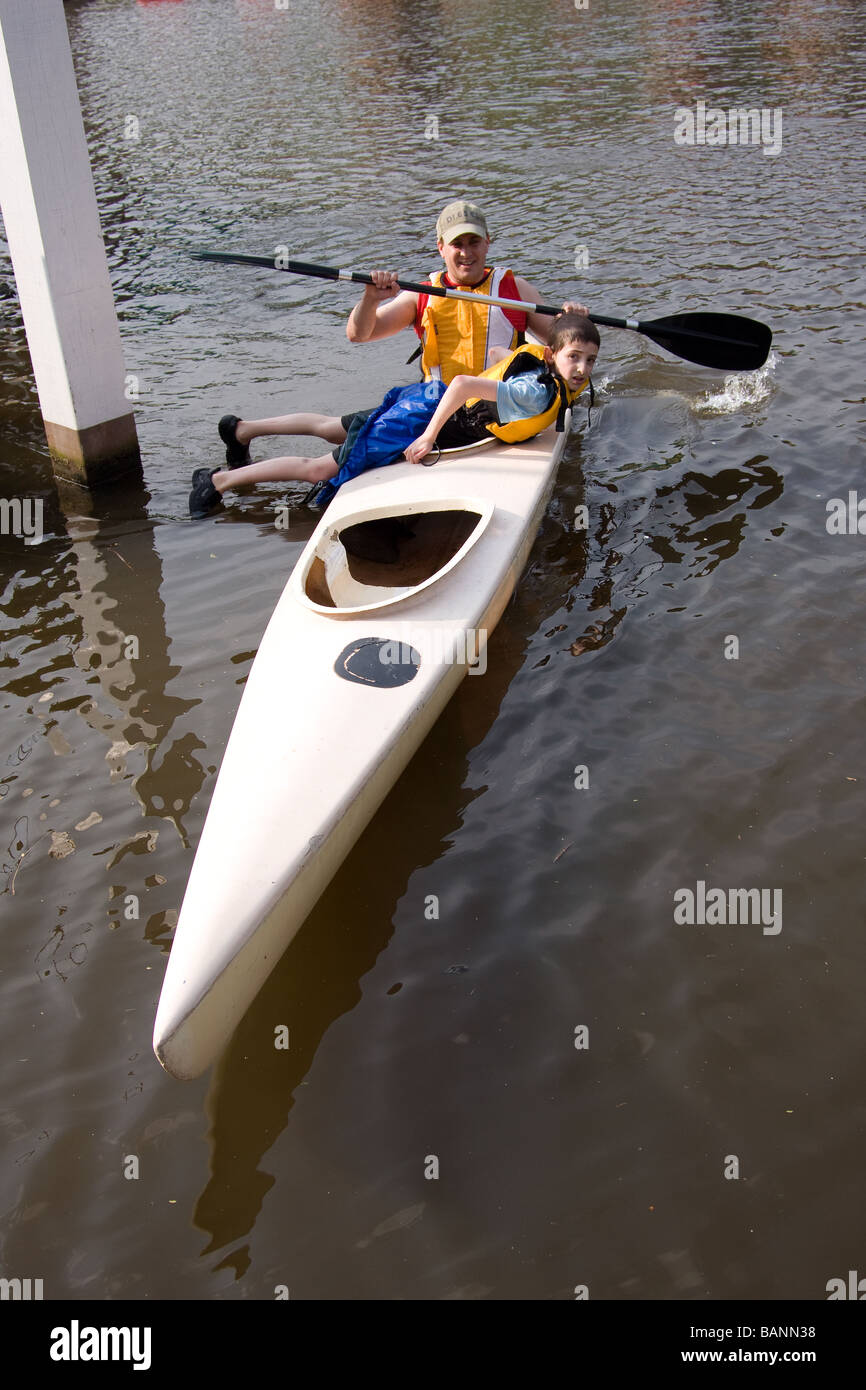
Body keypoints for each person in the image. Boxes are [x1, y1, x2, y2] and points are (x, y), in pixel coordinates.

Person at [188, 313, 599, 517]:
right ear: (552, 355)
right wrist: (427, 438)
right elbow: (463, 387)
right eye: (573, 358)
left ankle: (242, 431)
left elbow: (497, 357)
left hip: (423, 398)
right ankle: (219, 481)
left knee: (332, 427)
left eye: (589, 361)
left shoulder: (539, 366)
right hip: (419, 420)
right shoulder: (536, 394)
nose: (581, 369)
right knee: (319, 470)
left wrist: (564, 323)